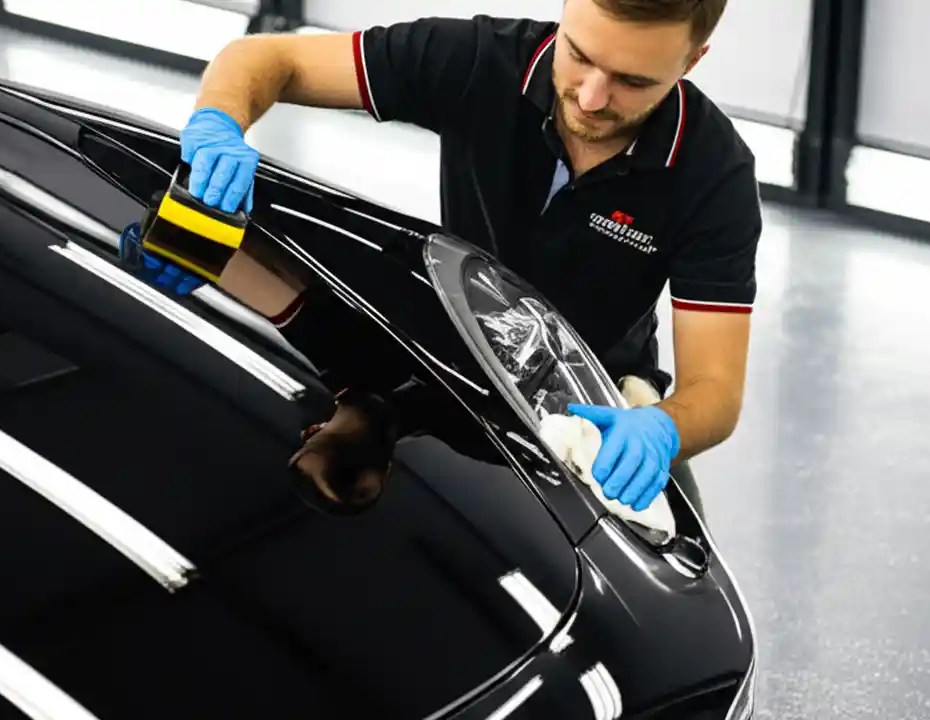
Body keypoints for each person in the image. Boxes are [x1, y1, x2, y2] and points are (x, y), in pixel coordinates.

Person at [158, 0, 760, 515]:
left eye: (632, 81)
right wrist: (218, 123)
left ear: (691, 60)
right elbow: (267, 58)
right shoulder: (481, 60)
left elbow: (714, 390)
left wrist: (663, 429)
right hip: (447, 346)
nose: (591, 96)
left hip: (595, 410)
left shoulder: (715, 175)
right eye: (578, 54)